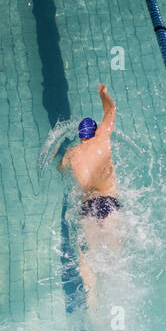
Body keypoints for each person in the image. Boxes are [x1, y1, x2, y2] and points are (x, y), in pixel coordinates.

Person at [59, 84, 120, 310]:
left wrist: (61, 152)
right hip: (110, 201)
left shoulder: (72, 153)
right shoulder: (102, 138)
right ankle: (117, 293)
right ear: (94, 132)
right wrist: (103, 94)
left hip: (87, 206)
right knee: (115, 254)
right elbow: (111, 110)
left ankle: (92, 299)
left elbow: (60, 169)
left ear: (80, 137)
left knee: (89, 255)